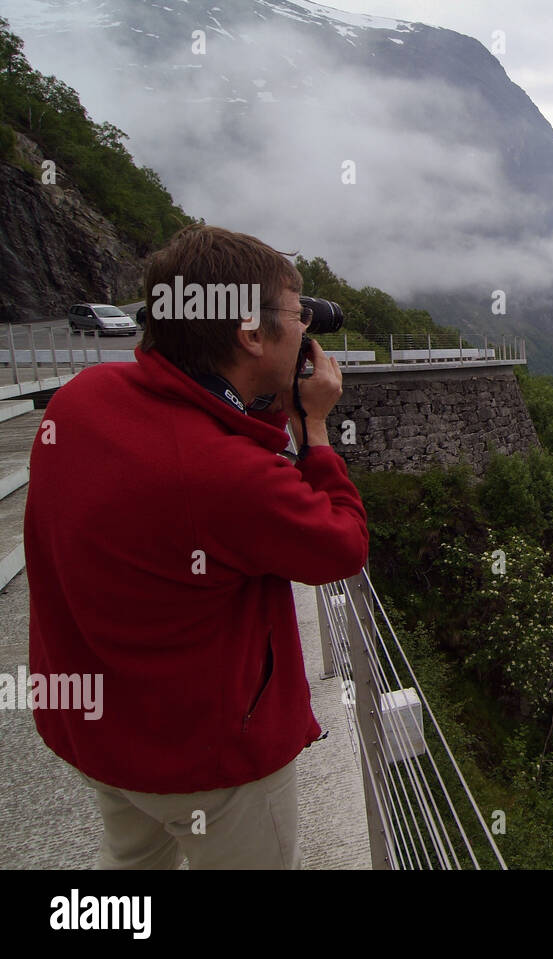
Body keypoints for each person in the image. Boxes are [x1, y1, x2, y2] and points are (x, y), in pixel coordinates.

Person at [24, 223, 369, 869]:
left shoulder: (79, 401)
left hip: (101, 732)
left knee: (130, 863)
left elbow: (215, 431)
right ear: (250, 333)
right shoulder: (227, 476)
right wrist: (314, 427)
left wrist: (268, 400)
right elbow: (340, 546)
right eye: (298, 315)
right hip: (208, 761)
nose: (307, 329)